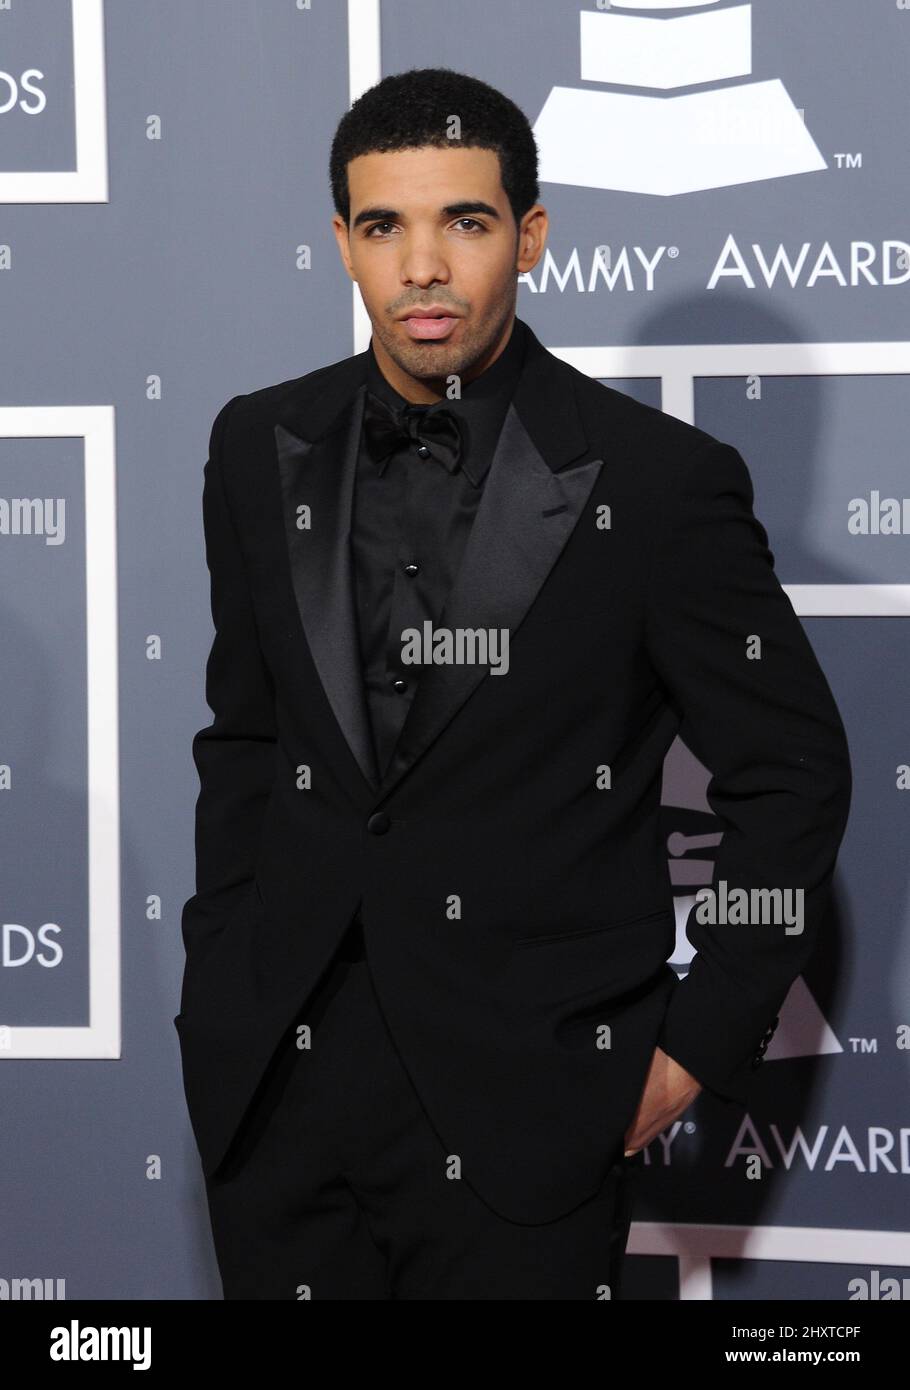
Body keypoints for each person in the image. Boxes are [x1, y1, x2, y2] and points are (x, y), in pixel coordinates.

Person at [175, 67, 852, 1300]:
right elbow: (248, 743)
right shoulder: (253, 444)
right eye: (384, 226)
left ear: (529, 235)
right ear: (341, 242)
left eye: (464, 222)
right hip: (278, 1094)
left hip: (526, 1111)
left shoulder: (656, 484)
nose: (421, 266)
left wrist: (690, 1050)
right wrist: (219, 988)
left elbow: (793, 776)